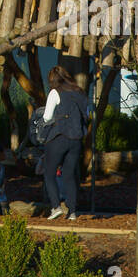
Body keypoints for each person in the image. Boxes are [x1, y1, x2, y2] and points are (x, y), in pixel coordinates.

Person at [42, 67, 89, 222]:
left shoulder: (55, 92)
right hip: (76, 139)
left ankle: (56, 207)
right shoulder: (80, 92)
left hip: (59, 137)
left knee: (49, 173)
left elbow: (47, 117)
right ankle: (73, 212)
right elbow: (86, 115)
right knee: (69, 175)